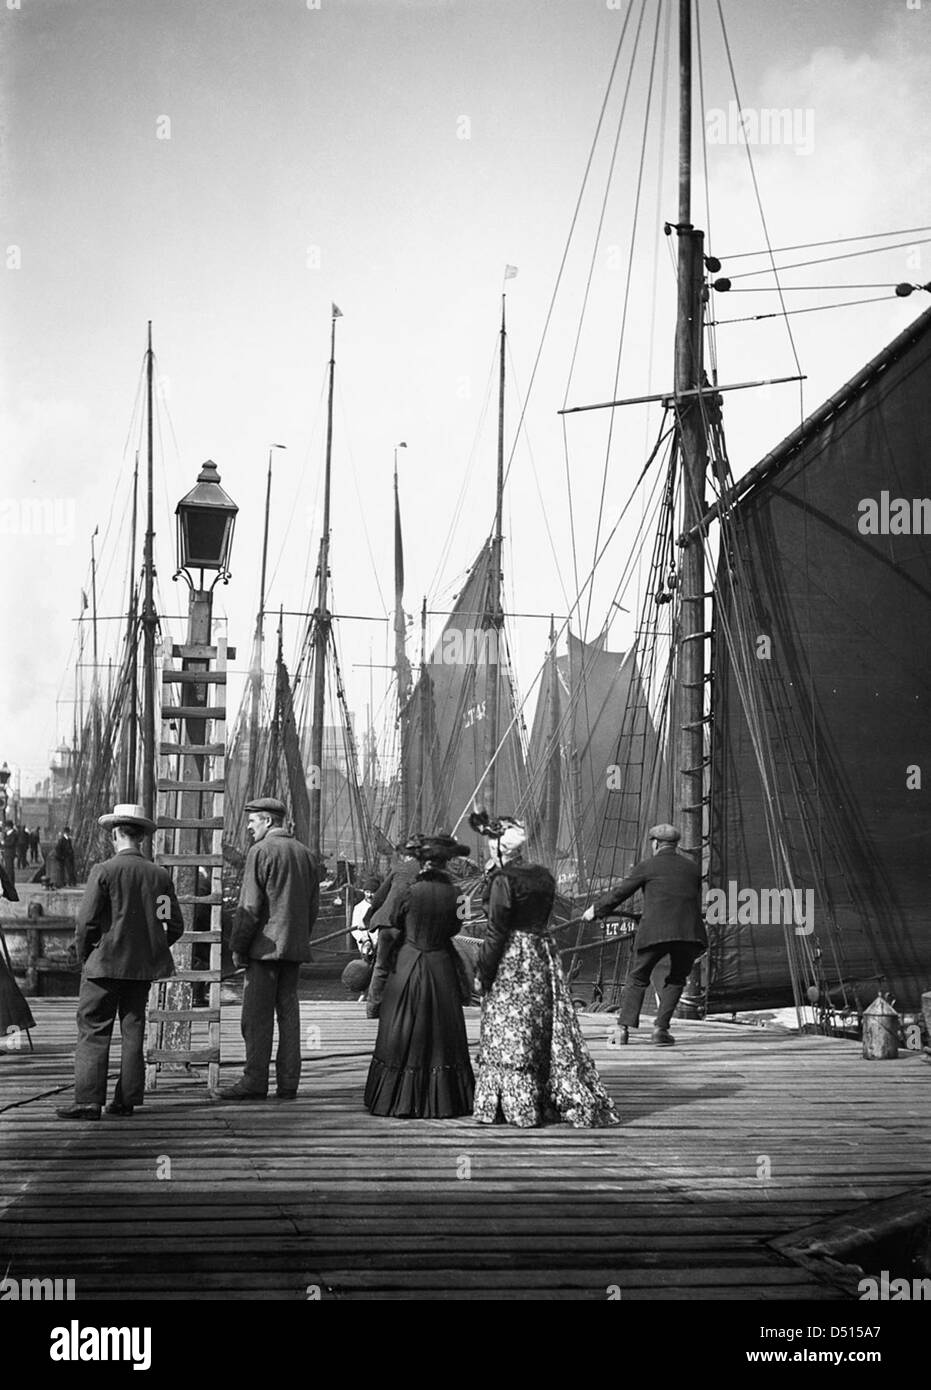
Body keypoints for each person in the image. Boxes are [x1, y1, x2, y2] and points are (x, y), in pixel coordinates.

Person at [470, 814, 619, 1128]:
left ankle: (517, 1106)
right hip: (542, 953)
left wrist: (483, 972)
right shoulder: (543, 876)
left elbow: (496, 932)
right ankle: (548, 1095)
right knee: (541, 1024)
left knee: (510, 1027)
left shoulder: (502, 881)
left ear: (497, 848)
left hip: (512, 958)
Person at [56, 803, 184, 1120]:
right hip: (140, 970)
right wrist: (150, 949)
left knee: (93, 1029)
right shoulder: (159, 877)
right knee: (133, 1029)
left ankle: (88, 1101)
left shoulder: (103, 871)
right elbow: (172, 924)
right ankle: (126, 1100)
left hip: (102, 966)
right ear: (141, 837)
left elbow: (86, 923)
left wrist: (86, 955)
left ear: (115, 834)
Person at [363, 832, 475, 1119]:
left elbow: (392, 923)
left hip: (408, 964)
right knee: (442, 1029)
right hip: (441, 965)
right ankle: (445, 1100)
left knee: (401, 1028)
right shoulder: (458, 894)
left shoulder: (409, 891)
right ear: (445, 863)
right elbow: (456, 927)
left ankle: (397, 1099)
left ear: (423, 863)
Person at [220, 798, 319, 1102]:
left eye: (252, 822)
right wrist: (298, 939)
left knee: (256, 1019)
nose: (249, 828)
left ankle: (254, 1081)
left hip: (264, 951)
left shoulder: (260, 851)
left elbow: (249, 907)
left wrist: (238, 947)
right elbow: (312, 907)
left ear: (267, 821)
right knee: (289, 1017)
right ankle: (288, 1084)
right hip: (293, 949)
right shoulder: (306, 854)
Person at [583, 822, 707, 1046]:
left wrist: (596, 910)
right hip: (688, 933)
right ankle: (660, 1030)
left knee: (638, 977)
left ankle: (623, 1028)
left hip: (655, 932)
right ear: (675, 844)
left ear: (656, 844)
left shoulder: (647, 866)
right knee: (677, 979)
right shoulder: (692, 868)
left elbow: (620, 893)